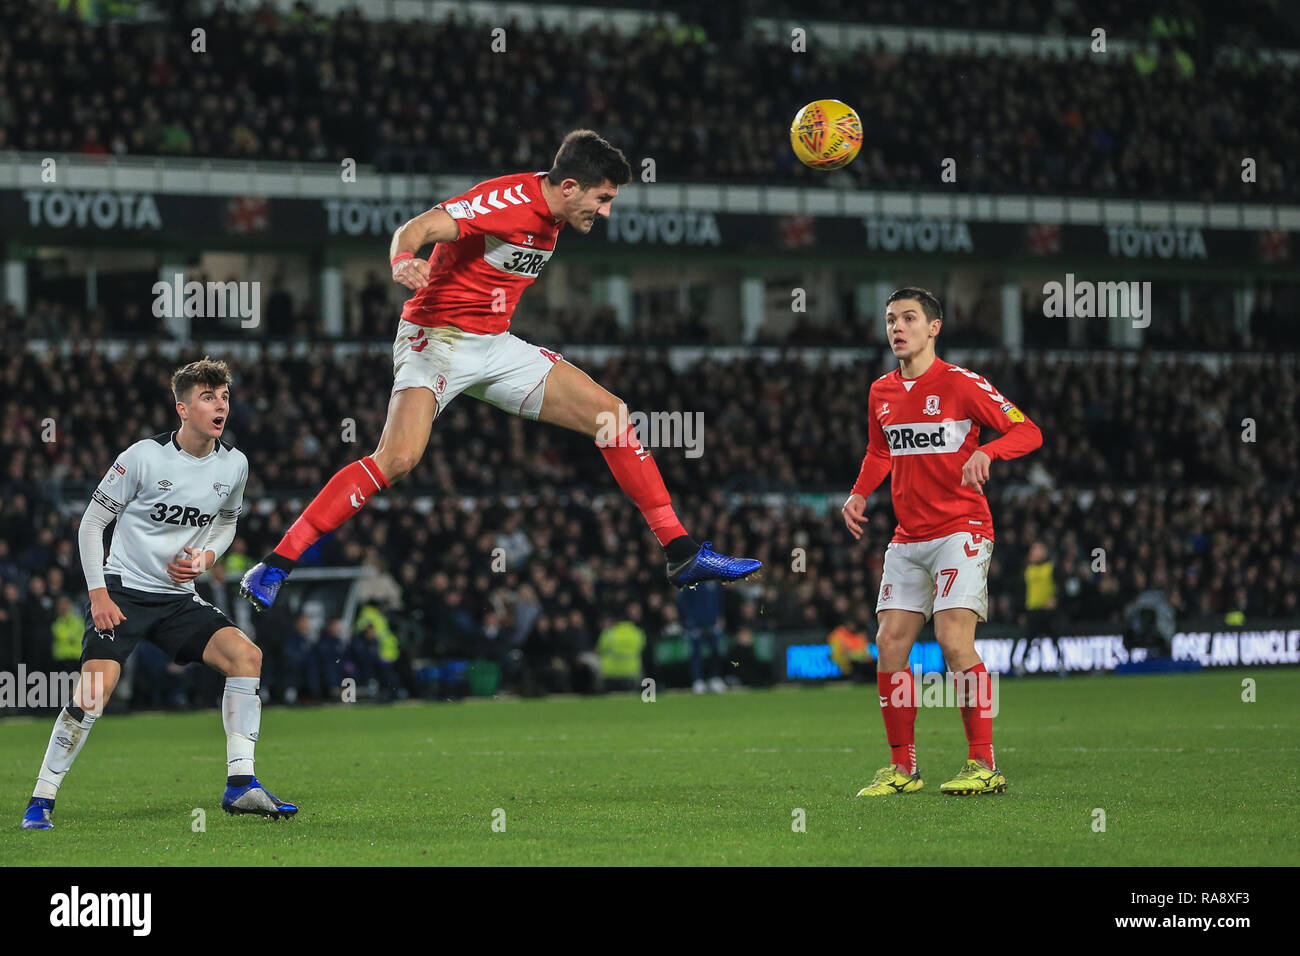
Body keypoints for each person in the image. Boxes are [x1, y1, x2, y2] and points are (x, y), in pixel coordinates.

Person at [239, 131, 759, 612]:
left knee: (612, 416)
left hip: (493, 345)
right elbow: (416, 227)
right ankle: (277, 563)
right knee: (396, 459)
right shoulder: (506, 201)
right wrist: (402, 259)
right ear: (571, 186)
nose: (604, 212)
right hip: (436, 339)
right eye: (602, 200)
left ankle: (681, 551)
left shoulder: (554, 218)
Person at [20, 358, 296, 830]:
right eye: (208, 397)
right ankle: (41, 799)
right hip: (123, 592)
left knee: (246, 657)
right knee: (93, 692)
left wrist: (206, 559)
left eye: (224, 396)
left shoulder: (234, 465)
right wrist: (99, 594)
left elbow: (228, 522)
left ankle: (241, 784)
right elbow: (91, 524)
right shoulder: (143, 457)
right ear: (182, 408)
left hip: (175, 597)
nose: (220, 405)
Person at [842, 289, 1043, 798]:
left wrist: (990, 453)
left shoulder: (960, 384)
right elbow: (878, 450)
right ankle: (903, 769)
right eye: (890, 319)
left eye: (909, 318)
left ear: (934, 328)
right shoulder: (880, 392)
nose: (897, 328)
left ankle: (983, 764)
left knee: (955, 643)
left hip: (962, 529)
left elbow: (1029, 431)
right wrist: (860, 493)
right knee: (889, 645)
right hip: (908, 537)